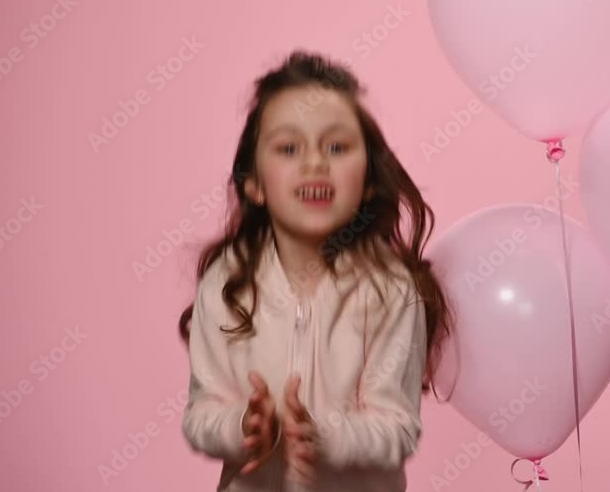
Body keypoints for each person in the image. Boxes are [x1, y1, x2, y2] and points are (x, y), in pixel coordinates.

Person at [177, 50, 452, 492]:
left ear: (366, 182)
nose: (314, 162)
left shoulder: (390, 290)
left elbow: (397, 428)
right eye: (289, 148)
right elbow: (201, 415)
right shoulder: (228, 285)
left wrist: (328, 437)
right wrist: (242, 426)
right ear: (254, 184)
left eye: (337, 147)